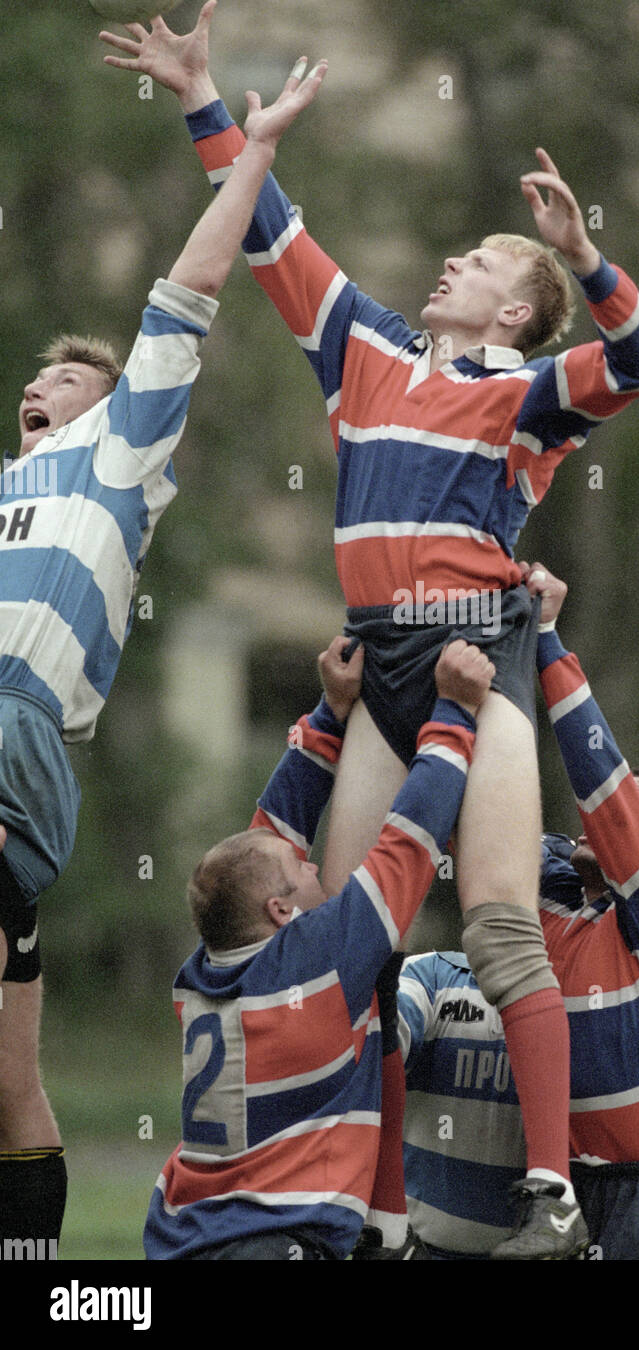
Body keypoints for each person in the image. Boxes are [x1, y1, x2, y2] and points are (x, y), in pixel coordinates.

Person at [100, 2, 639, 1255]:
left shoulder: (524, 395)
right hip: (382, 669)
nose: (453, 263)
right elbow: (269, 233)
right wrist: (203, 99)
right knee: (352, 949)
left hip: (482, 654)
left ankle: (550, 1194)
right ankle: (391, 1212)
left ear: (516, 312)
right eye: (465, 250)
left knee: (501, 923)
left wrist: (578, 256)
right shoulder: (364, 347)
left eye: (480, 259)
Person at [0, 70, 326, 1248]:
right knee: (11, 1079)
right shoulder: (8, 487)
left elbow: (191, 278)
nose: (40, 385)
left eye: (69, 378)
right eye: (33, 381)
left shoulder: (123, 449)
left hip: (18, 728)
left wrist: (250, 138)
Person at [395, 562, 639, 1259]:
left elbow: (596, 778)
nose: (599, 815)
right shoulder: (558, 895)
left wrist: (549, 644)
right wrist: (452, 677)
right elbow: (466, 812)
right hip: (583, 1200)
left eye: (628, 807)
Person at [144, 636, 493, 1260]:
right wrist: (454, 715)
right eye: (302, 869)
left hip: (182, 1235)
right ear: (280, 911)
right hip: (269, 1243)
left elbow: (262, 847)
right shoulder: (321, 963)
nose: (315, 870)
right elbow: (409, 842)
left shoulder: (202, 975)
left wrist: (330, 714)